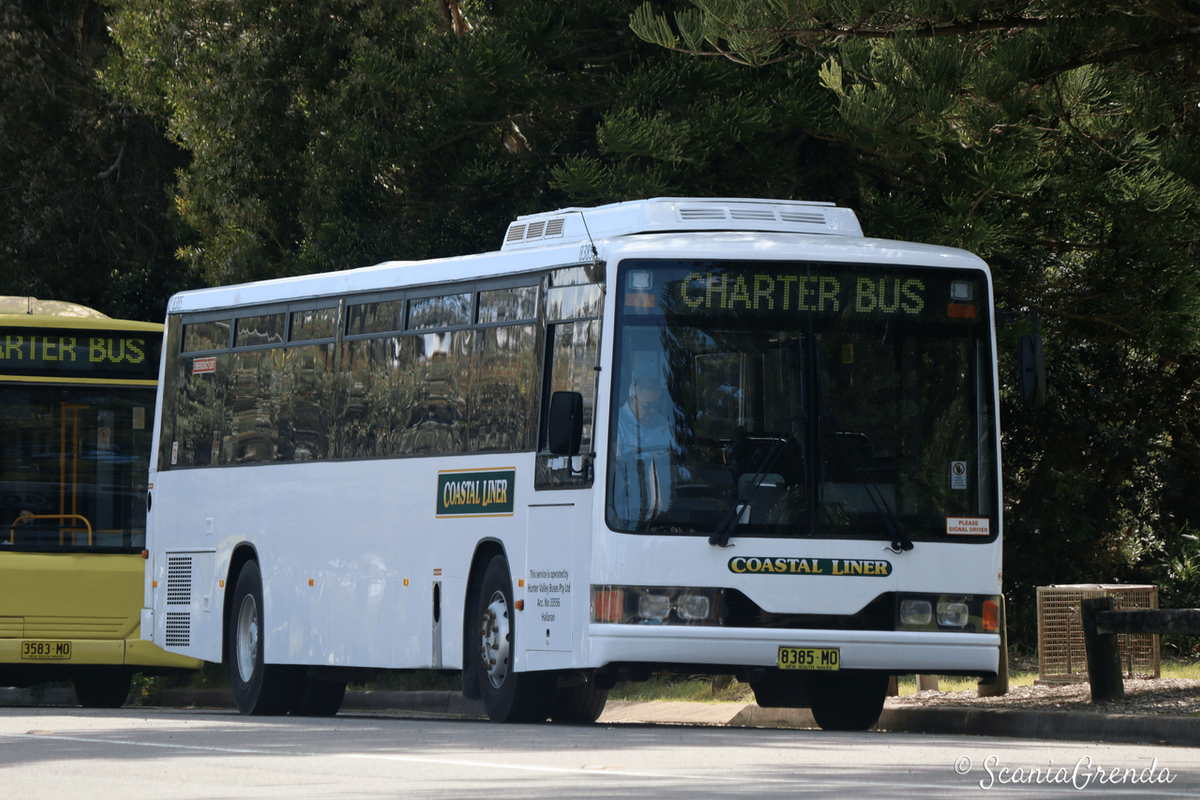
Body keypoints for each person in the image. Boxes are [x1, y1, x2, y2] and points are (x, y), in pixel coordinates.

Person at [612, 363, 679, 526]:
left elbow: (673, 452)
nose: (653, 412)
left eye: (657, 406)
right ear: (632, 399)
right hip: (629, 500)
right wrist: (646, 457)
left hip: (663, 498)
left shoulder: (662, 422)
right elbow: (614, 464)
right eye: (648, 406)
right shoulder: (615, 423)